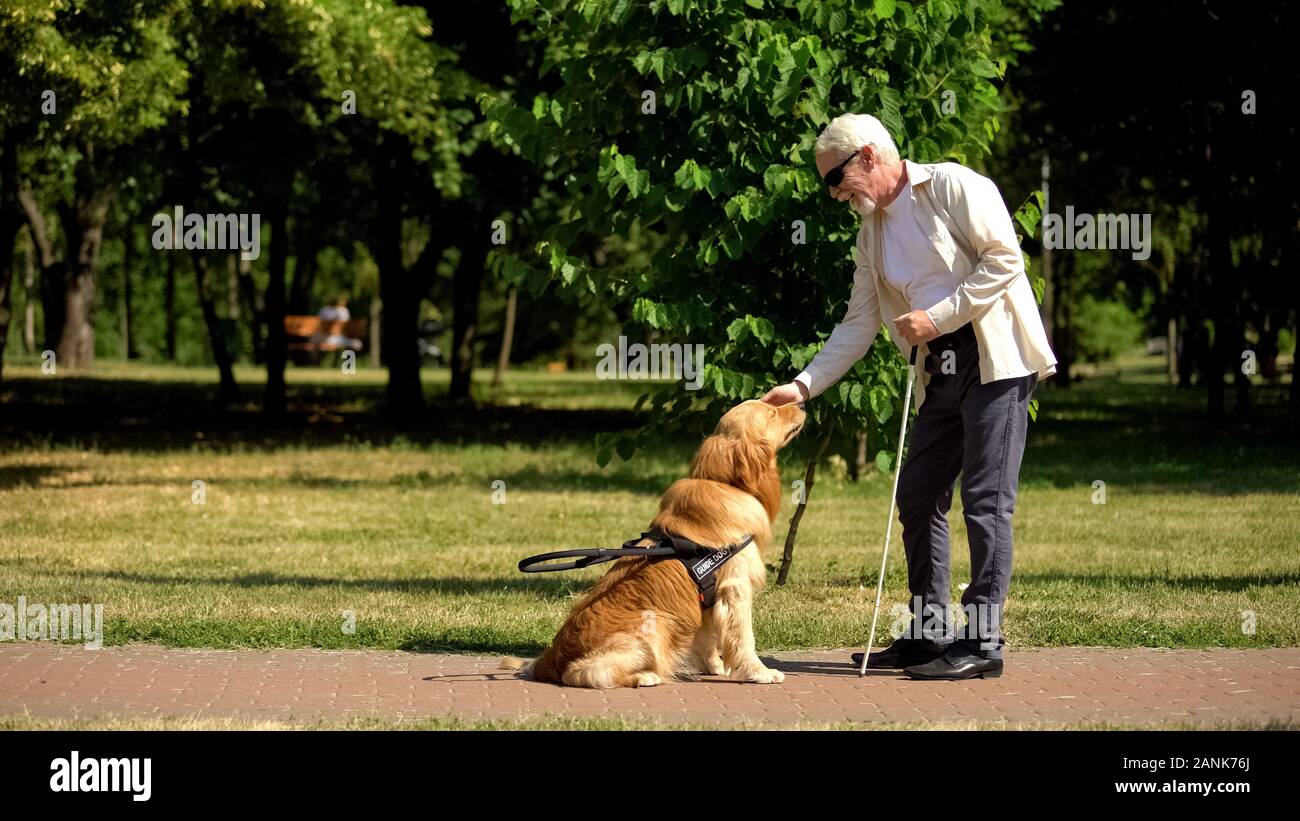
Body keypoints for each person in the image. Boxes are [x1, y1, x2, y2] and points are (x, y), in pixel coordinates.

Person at [760, 113, 1056, 680]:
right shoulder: (869, 235)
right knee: (918, 495)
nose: (834, 192)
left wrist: (938, 316)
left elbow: (1006, 261)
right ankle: (928, 632)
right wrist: (801, 386)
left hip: (994, 357)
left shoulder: (954, 186)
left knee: (986, 501)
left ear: (868, 156)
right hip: (936, 369)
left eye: (835, 177)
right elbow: (858, 323)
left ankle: (983, 642)